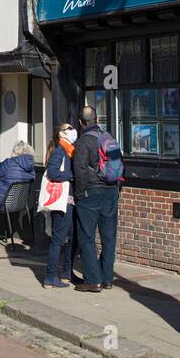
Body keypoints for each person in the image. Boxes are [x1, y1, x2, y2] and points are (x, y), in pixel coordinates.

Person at [72, 105, 122, 292]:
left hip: (90, 193)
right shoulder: (109, 138)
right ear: (97, 119)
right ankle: (107, 278)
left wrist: (79, 195)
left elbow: (80, 170)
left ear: (80, 122)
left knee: (87, 237)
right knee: (109, 237)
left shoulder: (83, 142)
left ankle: (93, 280)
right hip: (111, 192)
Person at [42, 123, 77, 287]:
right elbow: (52, 172)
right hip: (62, 202)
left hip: (68, 201)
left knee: (71, 237)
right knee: (58, 239)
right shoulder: (60, 151)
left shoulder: (69, 151)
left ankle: (66, 273)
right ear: (61, 134)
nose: (72, 131)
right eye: (68, 129)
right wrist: (72, 175)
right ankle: (50, 276)